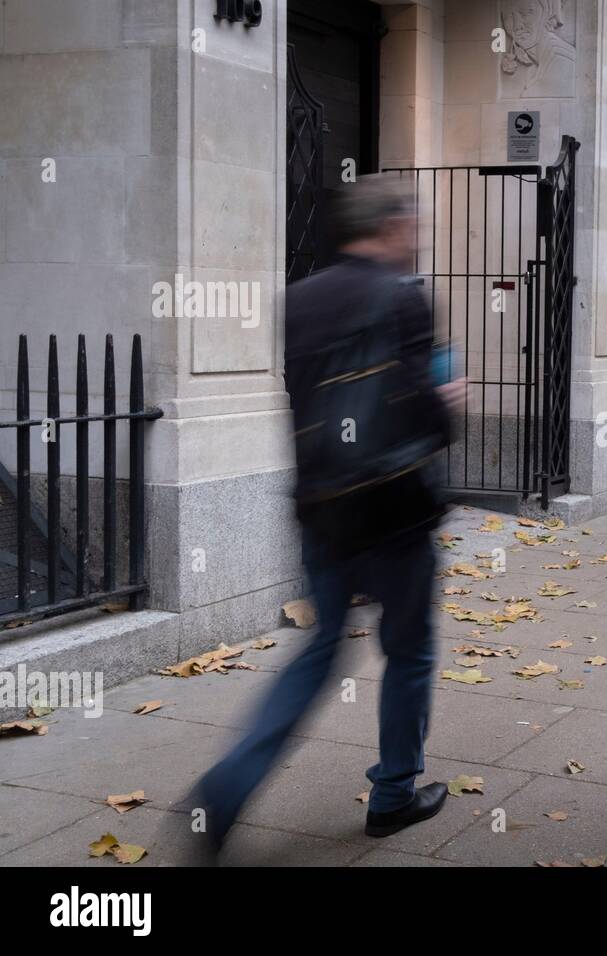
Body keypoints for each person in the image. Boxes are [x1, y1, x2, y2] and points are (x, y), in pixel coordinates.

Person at [184, 176, 461, 858]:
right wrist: (448, 394)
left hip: (322, 511)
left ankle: (224, 789)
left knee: (317, 653)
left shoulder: (298, 301)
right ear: (392, 227)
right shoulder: (404, 297)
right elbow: (431, 415)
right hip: (395, 512)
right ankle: (394, 794)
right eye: (413, 222)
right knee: (410, 652)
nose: (417, 233)